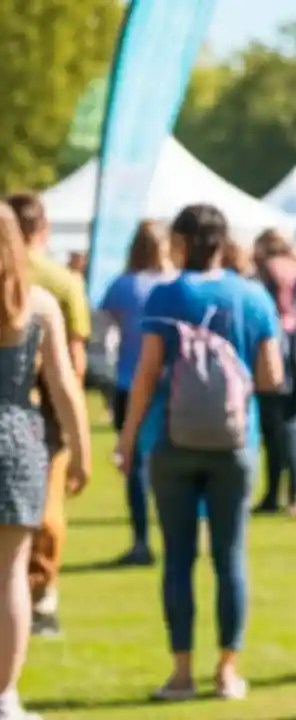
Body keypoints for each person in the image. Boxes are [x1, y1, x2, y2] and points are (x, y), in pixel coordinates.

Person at [116, 204, 284, 701]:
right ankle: (228, 671)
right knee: (230, 557)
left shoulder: (168, 294)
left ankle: (182, 673)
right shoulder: (252, 296)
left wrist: (127, 438)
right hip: (235, 444)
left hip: (172, 442)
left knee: (178, 559)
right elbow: (273, 376)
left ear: (184, 243)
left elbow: (146, 374)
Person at [0, 204, 91, 720]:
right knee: (11, 575)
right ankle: (5, 695)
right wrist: (81, 451)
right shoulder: (37, 305)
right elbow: (63, 385)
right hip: (14, 441)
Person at [98, 222, 175, 565]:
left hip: (130, 380)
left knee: (134, 463)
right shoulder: (172, 285)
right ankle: (179, 534)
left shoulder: (123, 285)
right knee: (173, 462)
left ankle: (141, 540)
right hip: (171, 382)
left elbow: (103, 326)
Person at [251, 229, 296, 516]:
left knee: (274, 431)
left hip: (275, 350)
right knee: (293, 425)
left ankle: (274, 494)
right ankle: (295, 493)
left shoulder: (267, 271)